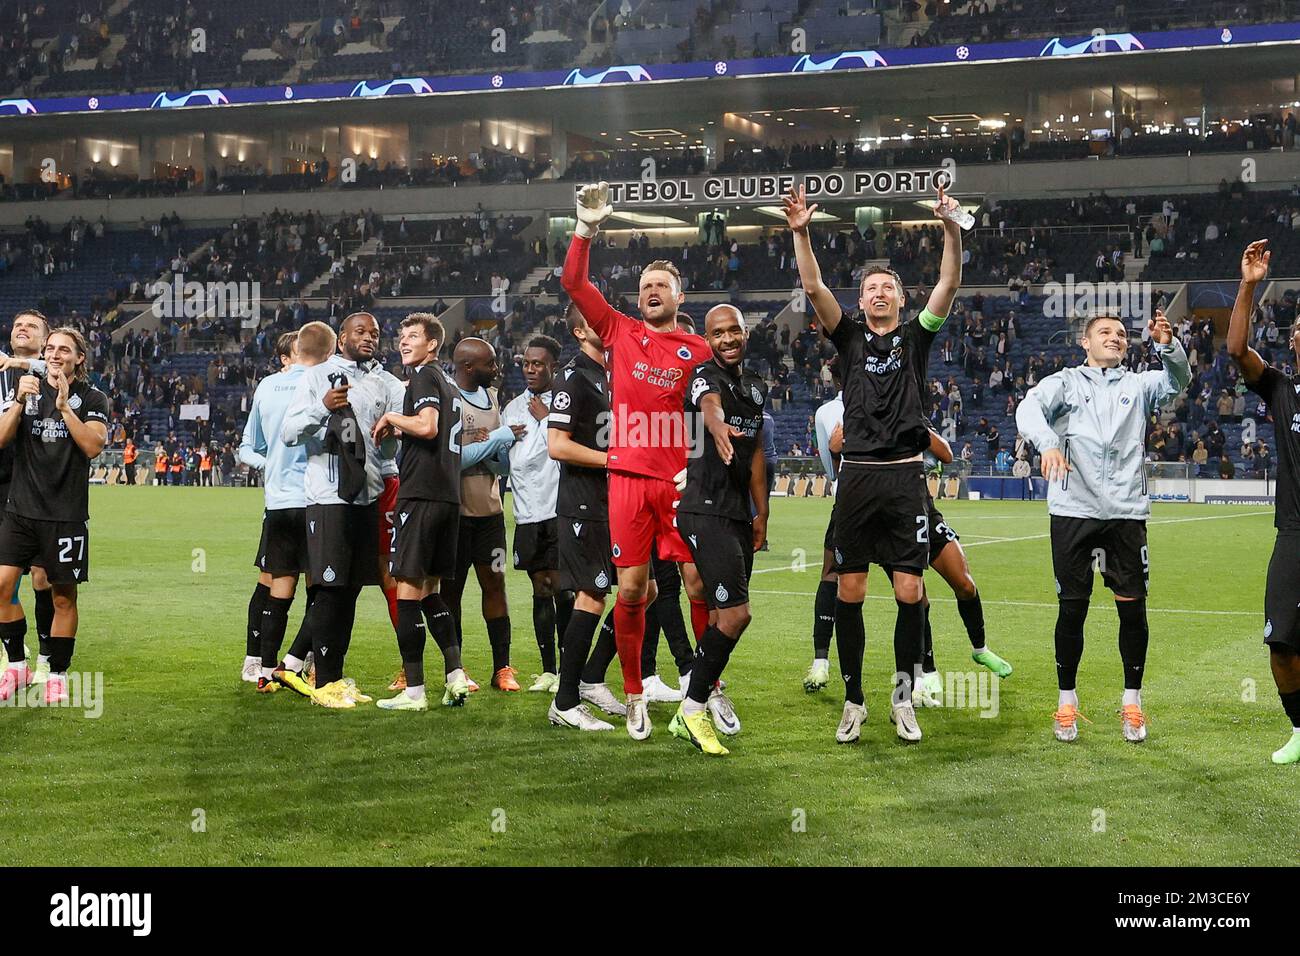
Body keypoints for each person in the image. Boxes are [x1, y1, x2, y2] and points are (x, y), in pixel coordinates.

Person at [783, 182, 963, 744]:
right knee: (851, 592)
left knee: (911, 593)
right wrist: (800, 232)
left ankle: (902, 699)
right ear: (860, 302)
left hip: (906, 478)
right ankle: (855, 699)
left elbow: (950, 282)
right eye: (870, 288)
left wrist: (951, 228)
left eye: (888, 287)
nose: (879, 293)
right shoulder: (850, 338)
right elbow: (812, 286)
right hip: (857, 479)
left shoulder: (917, 337)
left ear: (902, 299)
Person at [562, 182, 714, 741]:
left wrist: (701, 465)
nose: (651, 291)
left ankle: (708, 691)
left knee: (697, 584)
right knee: (630, 591)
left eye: (661, 286)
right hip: (626, 481)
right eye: (645, 285)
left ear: (678, 296)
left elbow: (716, 411)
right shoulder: (618, 330)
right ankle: (633, 695)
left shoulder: (697, 351)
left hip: (677, 485)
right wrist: (585, 227)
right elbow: (573, 282)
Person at [1016, 310, 1189, 743]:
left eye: (1121, 334)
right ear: (1086, 343)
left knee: (1132, 610)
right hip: (1073, 510)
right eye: (1105, 333)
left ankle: (1132, 701)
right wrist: (1049, 443)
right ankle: (1066, 703)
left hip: (1126, 514)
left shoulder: (1139, 384)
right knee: (1071, 610)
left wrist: (1168, 345)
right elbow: (1028, 407)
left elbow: (1178, 381)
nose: (1115, 338)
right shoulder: (1066, 382)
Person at [279, 312, 403, 709]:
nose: (369, 338)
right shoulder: (316, 377)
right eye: (361, 332)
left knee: (349, 590)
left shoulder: (379, 384)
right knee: (330, 589)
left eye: (375, 333)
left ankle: (331, 676)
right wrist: (323, 406)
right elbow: (289, 432)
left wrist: (388, 439)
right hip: (329, 497)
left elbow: (384, 451)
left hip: (366, 497)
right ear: (343, 337)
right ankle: (325, 681)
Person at [670, 305, 768, 755]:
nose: (727, 339)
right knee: (735, 615)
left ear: (745, 334)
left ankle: (700, 698)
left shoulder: (754, 387)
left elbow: (757, 454)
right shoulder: (703, 378)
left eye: (733, 331)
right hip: (703, 509)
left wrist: (761, 512)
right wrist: (715, 424)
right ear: (707, 339)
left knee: (719, 614)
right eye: (717, 333)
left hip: (734, 513)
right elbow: (707, 406)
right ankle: (692, 707)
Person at [0, 328, 109, 705]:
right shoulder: (27, 389)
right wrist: (16, 403)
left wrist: (64, 407)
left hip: (65, 514)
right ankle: (16, 666)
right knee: (2, 585)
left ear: (80, 357)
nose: (55, 354)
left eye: (64, 349)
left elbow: (94, 446)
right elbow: (0, 439)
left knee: (63, 598)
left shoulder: (93, 398)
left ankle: (58, 674)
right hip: (21, 509)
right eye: (50, 349)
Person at [372, 313, 470, 711]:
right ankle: (456, 675)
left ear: (432, 344)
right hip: (448, 498)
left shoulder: (425, 377)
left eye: (413, 336)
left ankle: (414, 691)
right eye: (401, 336)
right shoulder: (449, 384)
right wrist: (402, 431)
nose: (403, 342)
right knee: (431, 591)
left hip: (422, 496)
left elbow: (428, 427)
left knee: (407, 589)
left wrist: (393, 417)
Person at [1226, 239, 1300, 763]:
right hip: (1294, 535)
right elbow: (1236, 351)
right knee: (1281, 646)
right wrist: (1249, 285)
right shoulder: (1282, 390)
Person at [547, 309, 626, 730]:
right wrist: (613, 460)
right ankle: (564, 699)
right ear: (580, 331)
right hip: (583, 505)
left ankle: (592, 676)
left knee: (640, 589)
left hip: (615, 503)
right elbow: (557, 446)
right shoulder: (573, 376)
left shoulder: (612, 373)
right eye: (595, 319)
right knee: (591, 595)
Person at [903, 430, 1013, 708]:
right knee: (916, 597)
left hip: (925, 510)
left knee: (965, 584)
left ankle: (980, 649)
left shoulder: (914, 418)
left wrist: (918, 424)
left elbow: (946, 455)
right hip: (894, 517)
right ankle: (926, 670)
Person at [236, 326, 318, 694]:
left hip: (279, 504)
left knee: (274, 586)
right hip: (316, 501)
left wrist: (270, 465)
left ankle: (266, 667)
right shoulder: (321, 383)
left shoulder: (266, 386)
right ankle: (295, 662)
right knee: (322, 587)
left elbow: (246, 447)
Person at [441, 336, 521, 692]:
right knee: (451, 592)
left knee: (496, 585)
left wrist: (497, 446)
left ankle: (502, 668)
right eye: (490, 364)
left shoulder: (491, 398)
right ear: (469, 367)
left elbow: (501, 465)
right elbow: (452, 459)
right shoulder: (448, 398)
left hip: (490, 513)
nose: (497, 369)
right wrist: (496, 439)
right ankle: (456, 669)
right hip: (455, 516)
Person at [501, 335, 573, 692]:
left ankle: (568, 668)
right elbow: (507, 459)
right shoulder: (512, 407)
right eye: (527, 363)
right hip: (527, 511)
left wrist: (547, 420)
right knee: (539, 588)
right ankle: (548, 669)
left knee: (562, 588)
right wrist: (496, 438)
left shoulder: (564, 403)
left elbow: (571, 448)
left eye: (538, 364)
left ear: (553, 367)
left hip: (559, 507)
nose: (531, 369)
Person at [0, 310, 54, 682]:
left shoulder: (50, 372)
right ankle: (15, 658)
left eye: (32, 326)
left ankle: (49, 656)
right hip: (2, 484)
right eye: (18, 325)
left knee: (43, 578)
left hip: (40, 487)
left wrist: (19, 362)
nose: (22, 328)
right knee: (4, 580)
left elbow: (60, 369)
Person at [805, 362, 843, 692]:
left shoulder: (825, 412)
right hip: (895, 503)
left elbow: (831, 471)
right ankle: (921, 676)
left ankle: (820, 662)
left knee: (830, 574)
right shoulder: (891, 400)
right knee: (909, 585)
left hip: (848, 504)